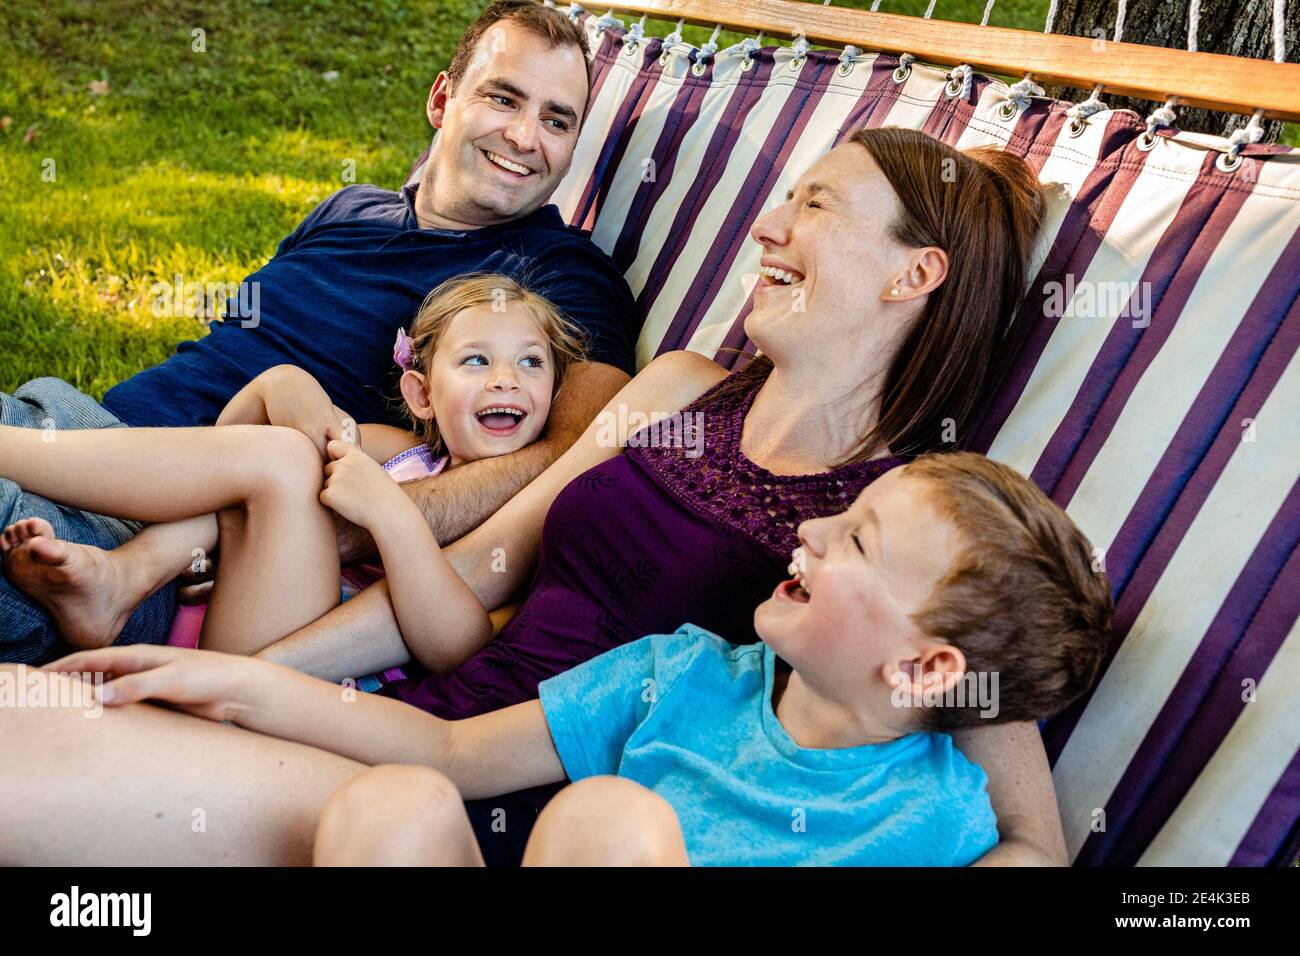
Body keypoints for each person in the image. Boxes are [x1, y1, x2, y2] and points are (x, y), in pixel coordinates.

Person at [0, 127, 1070, 866]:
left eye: (815, 205)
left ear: (910, 277)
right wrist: (242, 678)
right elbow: (485, 562)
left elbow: (1029, 832)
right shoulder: (688, 387)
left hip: (523, 812)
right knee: (33, 711)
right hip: (411, 725)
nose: (768, 227)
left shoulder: (909, 521)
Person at [0, 0, 638, 663]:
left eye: (556, 120)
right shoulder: (349, 208)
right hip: (79, 432)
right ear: (442, 100)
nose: (525, 136)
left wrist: (350, 525)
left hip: (146, 557)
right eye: (504, 99)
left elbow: (571, 457)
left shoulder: (556, 279)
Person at [0, 273, 586, 663]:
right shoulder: (395, 449)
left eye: (531, 362)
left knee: (284, 458)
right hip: (211, 607)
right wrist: (287, 387)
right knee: (278, 414)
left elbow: (458, 650)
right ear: (422, 394)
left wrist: (390, 515)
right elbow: (223, 465)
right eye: (477, 360)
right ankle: (127, 575)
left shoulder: (529, 514)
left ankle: (105, 551)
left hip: (289, 666)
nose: (505, 378)